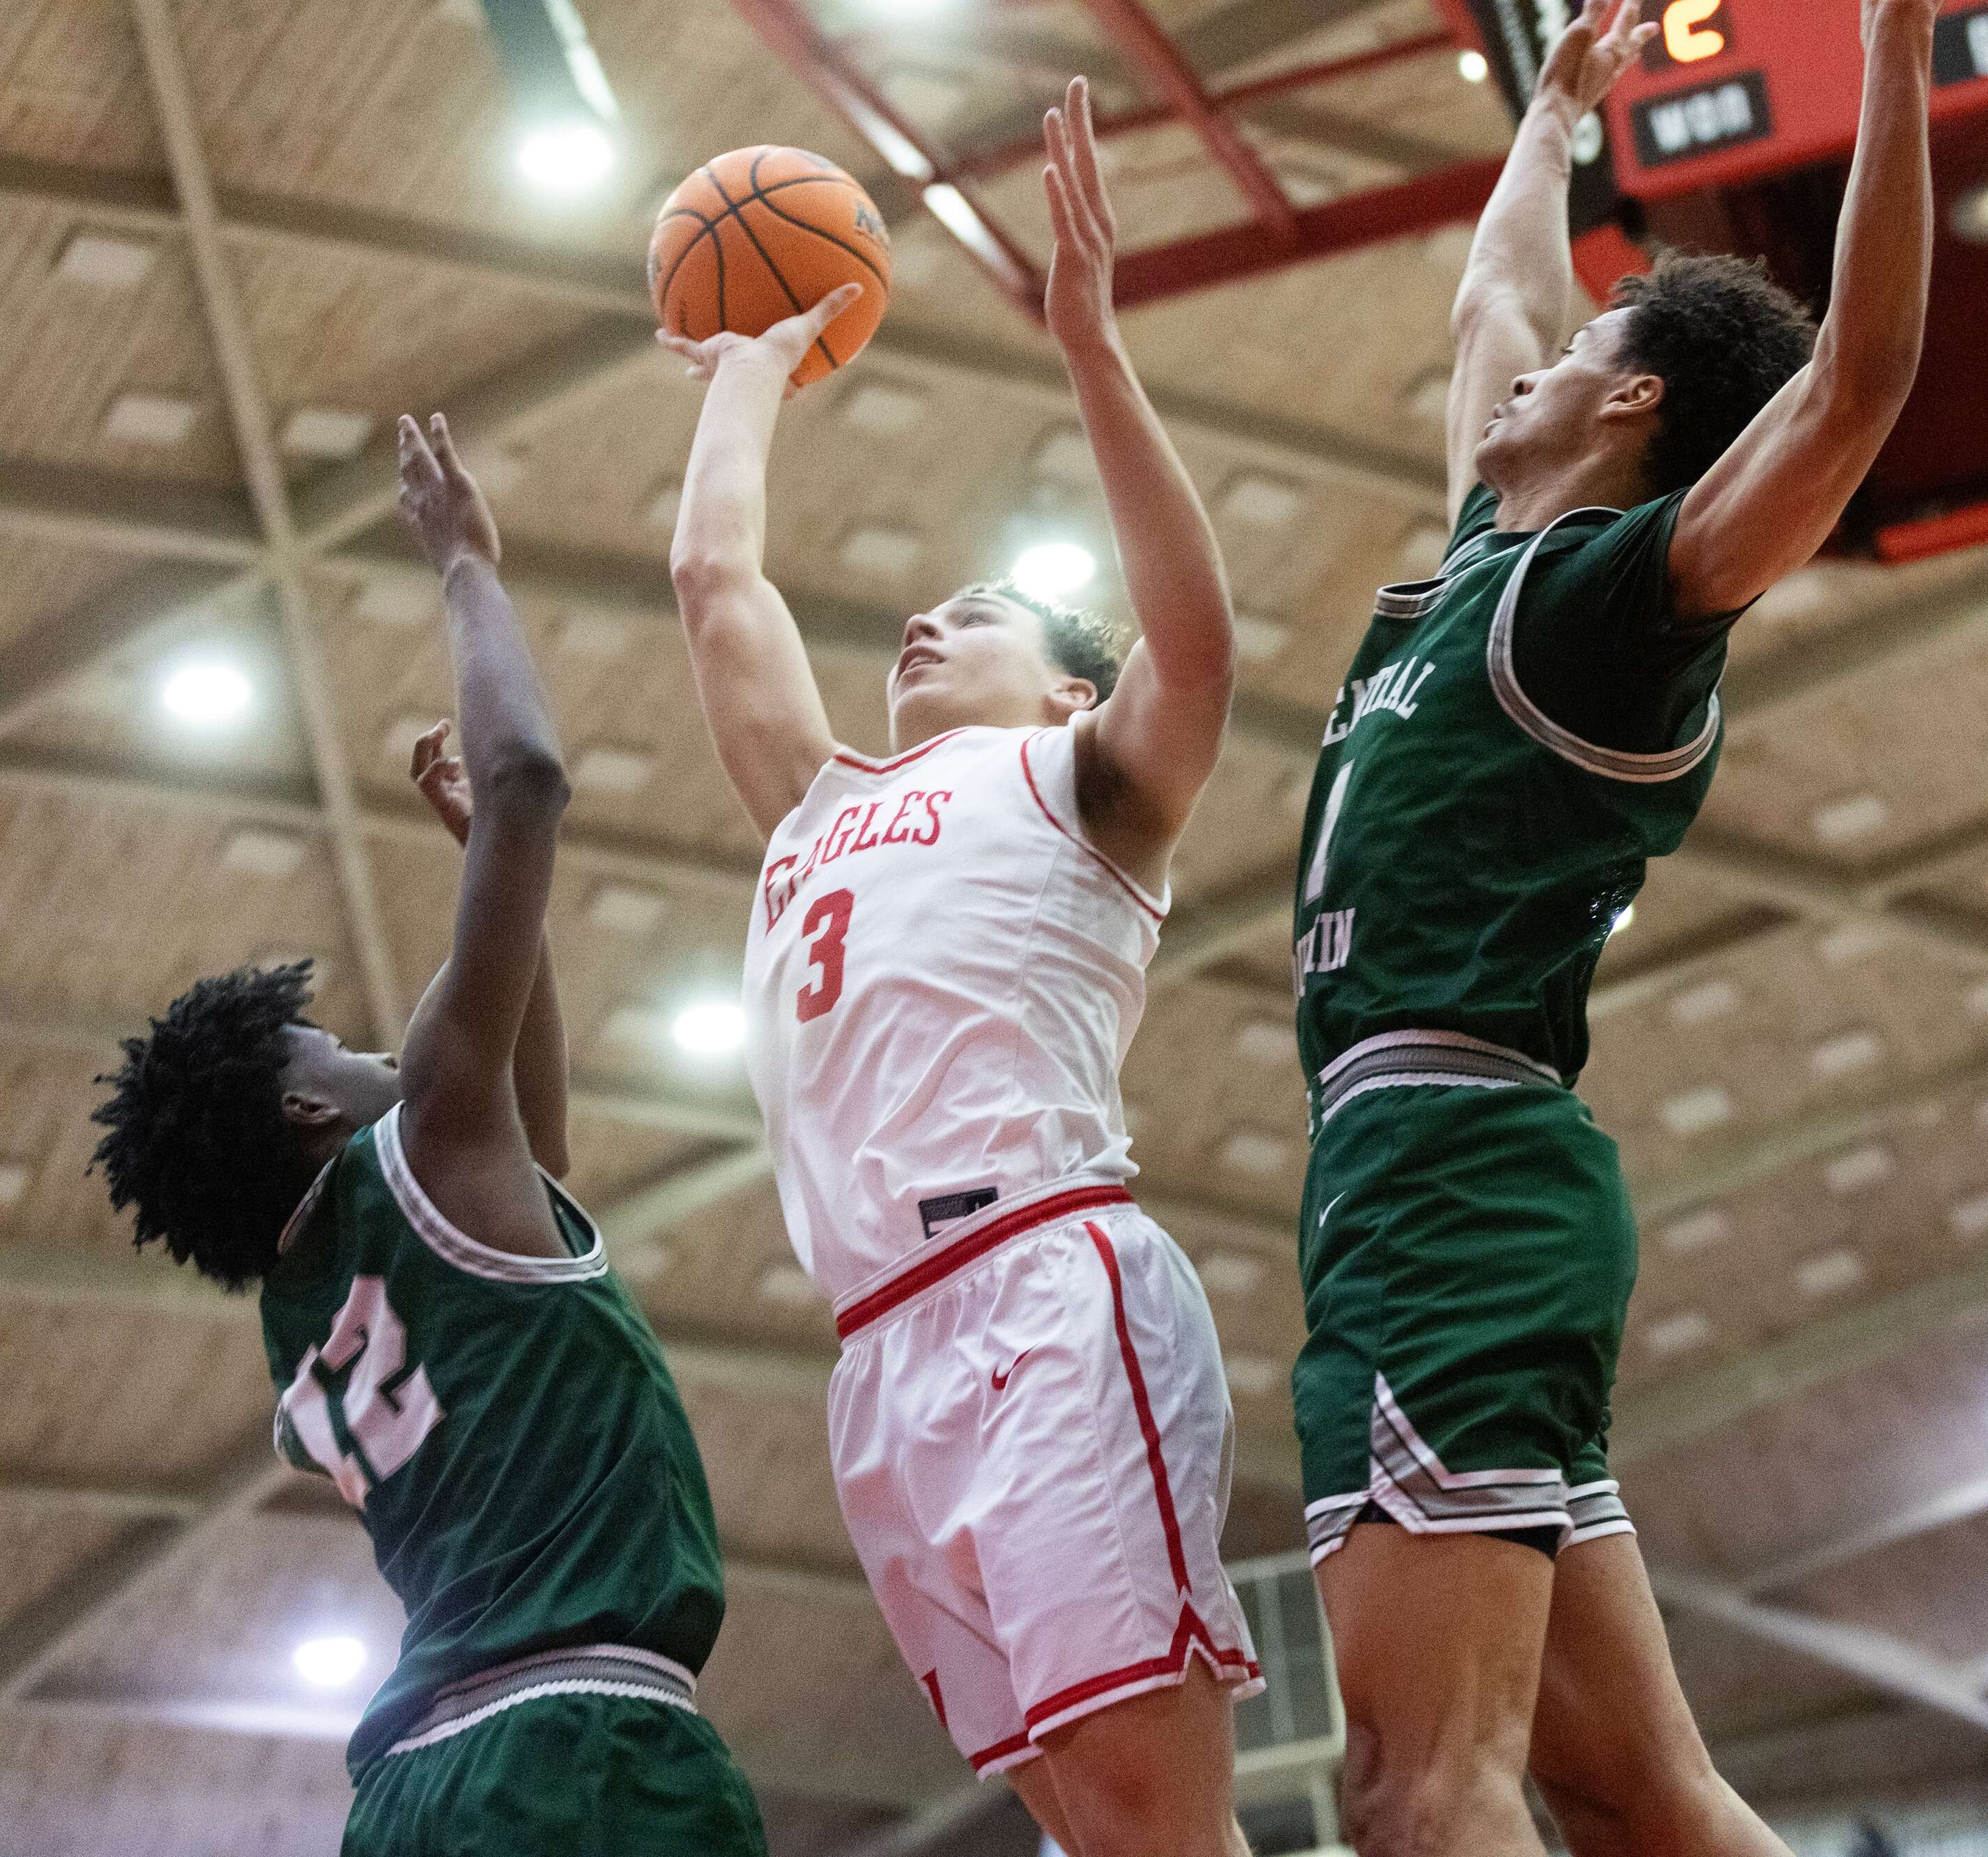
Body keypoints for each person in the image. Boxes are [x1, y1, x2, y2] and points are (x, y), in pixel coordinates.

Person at [1285, 0, 1936, 1850]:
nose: (1517, 360)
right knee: (1633, 1792)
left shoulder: (1616, 601)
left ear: (1636, 399)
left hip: (1450, 1177)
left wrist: (1891, 46)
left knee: (1422, 1785)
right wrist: (1551, 124)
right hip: (1459, 1183)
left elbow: (1858, 382)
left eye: (1578, 348)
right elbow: (1491, 298)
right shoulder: (1483, 566)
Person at [659, 81, 1258, 1857]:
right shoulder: (809, 807)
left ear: (1067, 685)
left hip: (1041, 1284)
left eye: (982, 609)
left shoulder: (1087, 779)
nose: (927, 617)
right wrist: (754, 360)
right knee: (1081, 1821)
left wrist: (1089, 347)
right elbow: (712, 576)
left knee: (1154, 1815)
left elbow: (1201, 643)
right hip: (882, 1355)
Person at [89, 414, 766, 1856]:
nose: (370, 1048)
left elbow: (547, 1144)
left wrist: (478, 872)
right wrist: (464, 560)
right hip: (582, 1752)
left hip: (410, 1797)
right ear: (301, 1109)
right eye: (330, 1047)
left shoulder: (304, 1321)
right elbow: (531, 775)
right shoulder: (425, 1147)